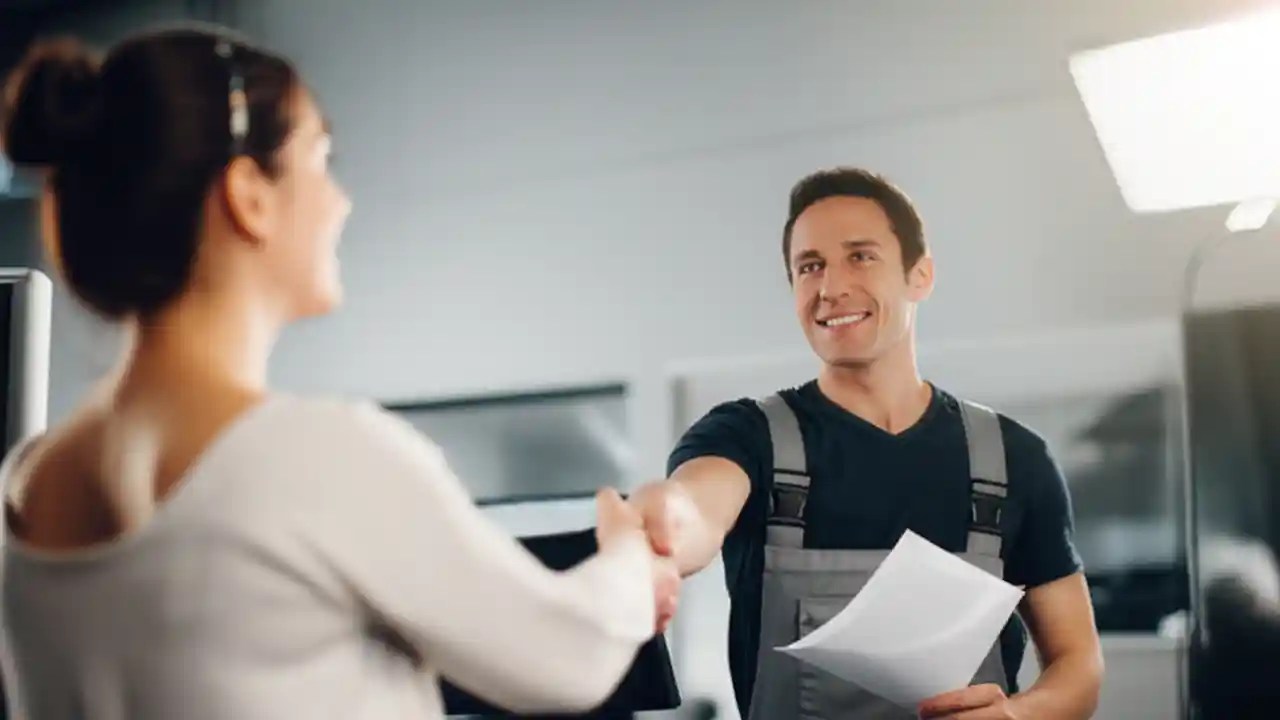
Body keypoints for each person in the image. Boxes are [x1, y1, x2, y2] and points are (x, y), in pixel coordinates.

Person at [0, 26, 679, 720]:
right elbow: (568, 653)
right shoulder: (310, 455)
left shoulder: (28, 480)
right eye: (321, 159)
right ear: (248, 195)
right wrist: (628, 560)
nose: (340, 201)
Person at [629, 168, 1104, 719]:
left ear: (919, 276)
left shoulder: (1013, 459)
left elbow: (1079, 665)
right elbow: (696, 508)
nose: (830, 287)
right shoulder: (747, 436)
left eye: (860, 256)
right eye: (810, 267)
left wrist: (1018, 716)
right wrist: (665, 525)